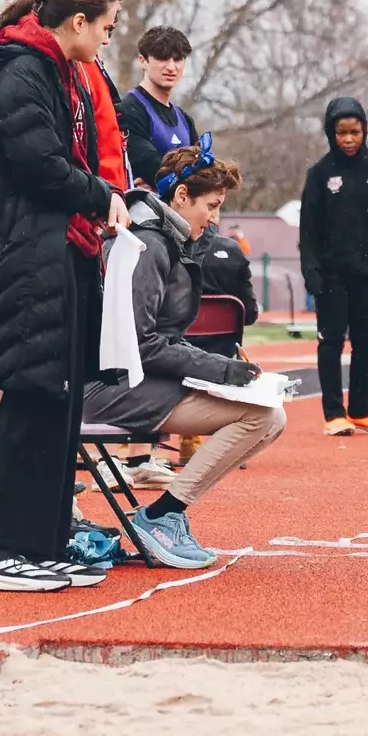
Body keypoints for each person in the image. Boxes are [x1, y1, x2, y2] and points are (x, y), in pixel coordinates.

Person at [0, 0, 131, 591]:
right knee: (30, 398)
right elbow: (39, 164)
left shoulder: (61, 73)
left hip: (56, 252)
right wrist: (102, 196)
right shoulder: (21, 71)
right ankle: (1, 549)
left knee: (58, 402)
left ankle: (42, 541)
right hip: (19, 256)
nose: (105, 39)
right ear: (77, 22)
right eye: (104, 27)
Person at [83, 145, 283, 568]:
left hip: (134, 378)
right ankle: (160, 516)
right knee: (261, 417)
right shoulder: (150, 244)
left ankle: (165, 513)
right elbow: (140, 344)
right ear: (181, 198)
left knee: (271, 415)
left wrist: (222, 371)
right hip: (109, 386)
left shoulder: (164, 238)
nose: (213, 218)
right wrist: (220, 369)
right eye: (211, 206)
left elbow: (159, 339)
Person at [298, 96, 368, 436]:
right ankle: (334, 413)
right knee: (331, 342)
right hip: (330, 276)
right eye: (341, 132)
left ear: (364, 131)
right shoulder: (319, 173)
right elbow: (309, 228)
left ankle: (361, 408)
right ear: (331, 132)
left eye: (354, 132)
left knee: (365, 342)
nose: (348, 139)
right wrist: (311, 272)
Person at [53, 0, 129, 193]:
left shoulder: (93, 60)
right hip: (91, 200)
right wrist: (102, 198)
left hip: (108, 197)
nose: (117, 7)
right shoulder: (70, 63)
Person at [117, 26, 199, 189]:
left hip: (178, 214)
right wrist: (175, 181)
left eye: (178, 59)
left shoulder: (185, 119)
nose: (171, 67)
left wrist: (172, 183)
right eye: (162, 58)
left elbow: (203, 175)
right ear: (143, 61)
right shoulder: (127, 110)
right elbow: (156, 172)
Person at [190, 216, 260, 358]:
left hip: (175, 354)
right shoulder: (234, 250)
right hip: (223, 352)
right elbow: (250, 314)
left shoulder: (166, 248)